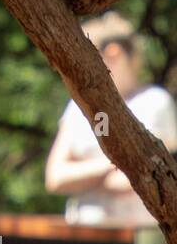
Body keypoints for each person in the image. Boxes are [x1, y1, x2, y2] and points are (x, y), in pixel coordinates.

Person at [45, 12, 177, 226]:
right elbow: (56, 177)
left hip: (137, 238)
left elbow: (138, 181)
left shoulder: (155, 102)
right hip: (83, 233)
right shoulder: (79, 106)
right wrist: (117, 163)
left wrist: (83, 175)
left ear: (113, 53)